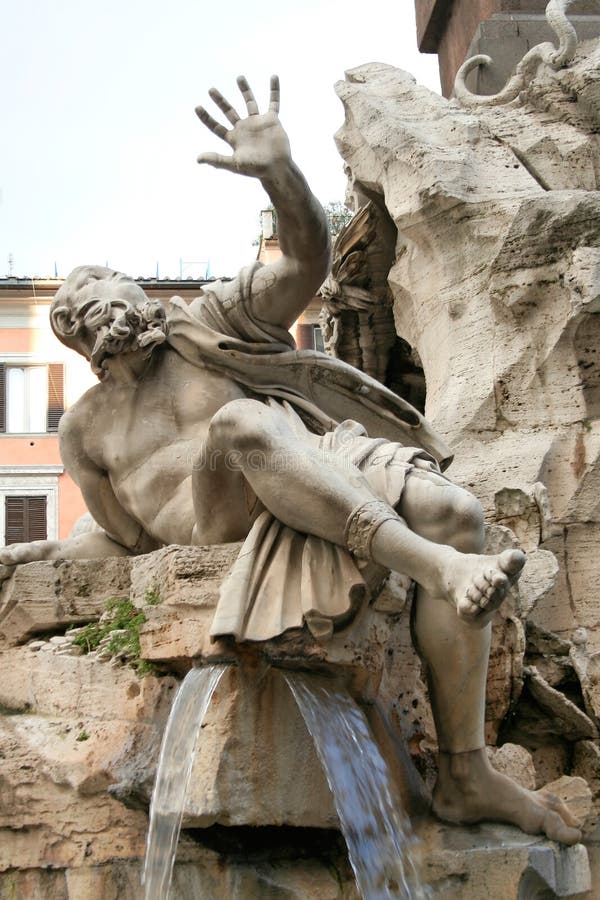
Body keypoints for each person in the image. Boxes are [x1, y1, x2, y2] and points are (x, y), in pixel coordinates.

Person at [0, 77, 580, 844]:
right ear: (75, 344)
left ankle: (465, 773)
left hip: (311, 460)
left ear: (137, 288)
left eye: (103, 283)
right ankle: (435, 568)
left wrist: (280, 174)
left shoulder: (208, 322)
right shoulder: (83, 431)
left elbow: (306, 264)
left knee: (457, 514)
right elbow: (124, 540)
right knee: (242, 420)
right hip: (218, 522)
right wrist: (43, 551)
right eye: (74, 313)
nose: (93, 304)